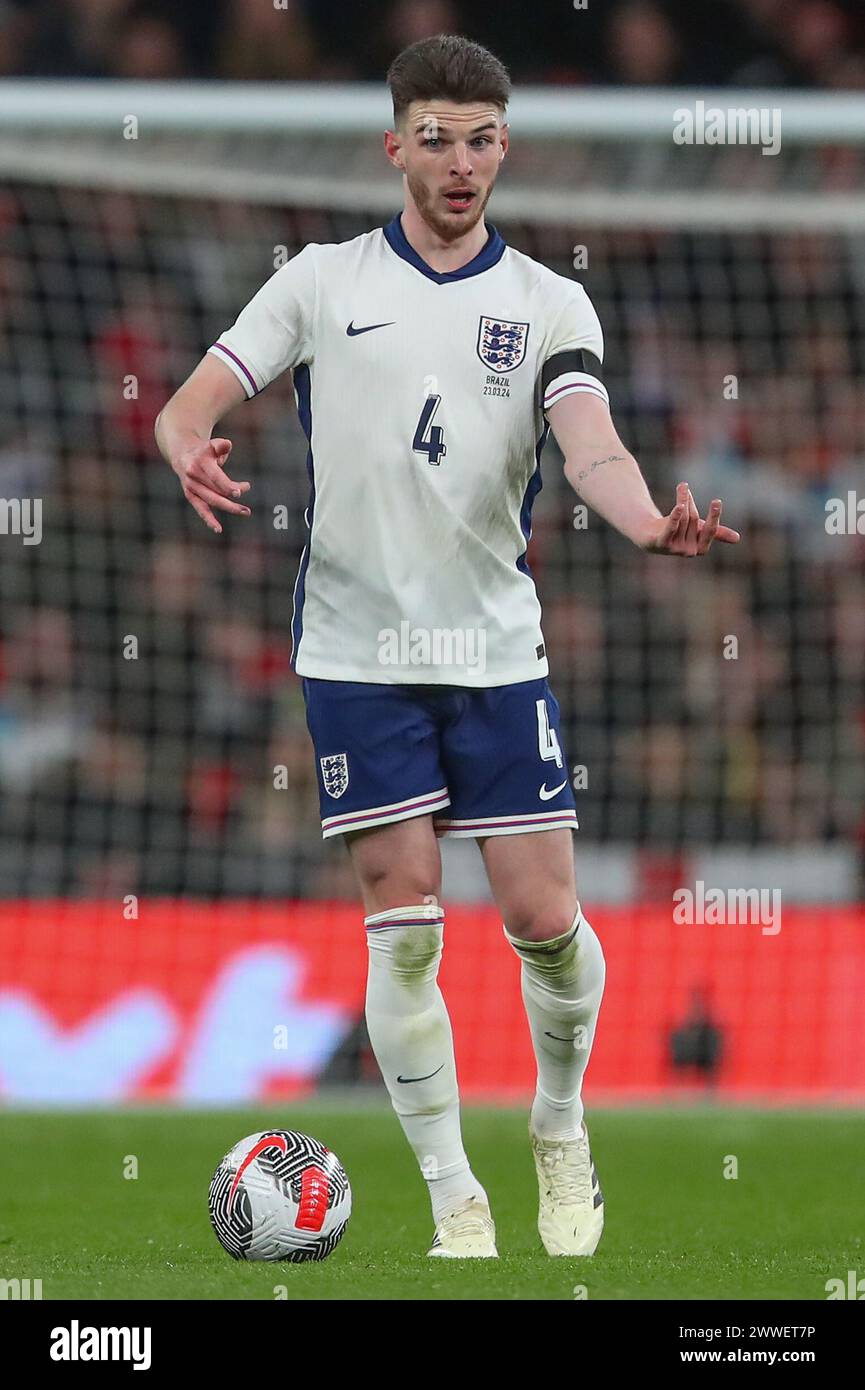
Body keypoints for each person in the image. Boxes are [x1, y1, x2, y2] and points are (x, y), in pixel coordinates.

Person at [155, 33, 739, 1259]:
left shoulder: (547, 302)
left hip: (490, 651)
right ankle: (451, 1196)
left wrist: (641, 520)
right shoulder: (319, 279)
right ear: (394, 146)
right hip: (356, 651)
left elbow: (592, 441)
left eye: (480, 139)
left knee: (543, 919)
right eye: (436, 138)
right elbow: (195, 395)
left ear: (503, 147)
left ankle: (558, 1122)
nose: (460, 162)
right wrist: (181, 435)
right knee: (403, 922)